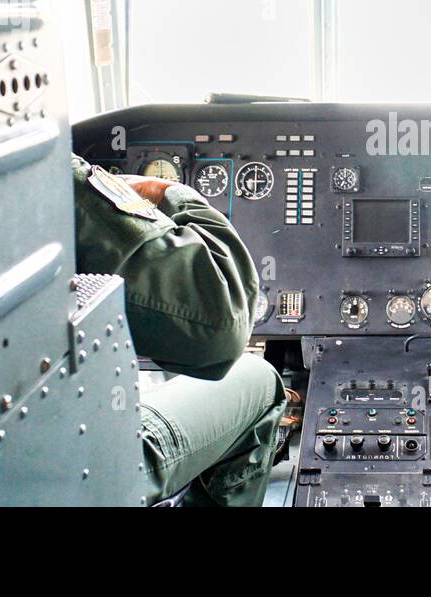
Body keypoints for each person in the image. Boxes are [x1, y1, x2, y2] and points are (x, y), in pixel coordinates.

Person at [72, 155, 286, 506]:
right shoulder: (38, 168)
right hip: (82, 466)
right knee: (258, 379)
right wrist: (174, 192)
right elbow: (222, 323)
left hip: (6, 468)